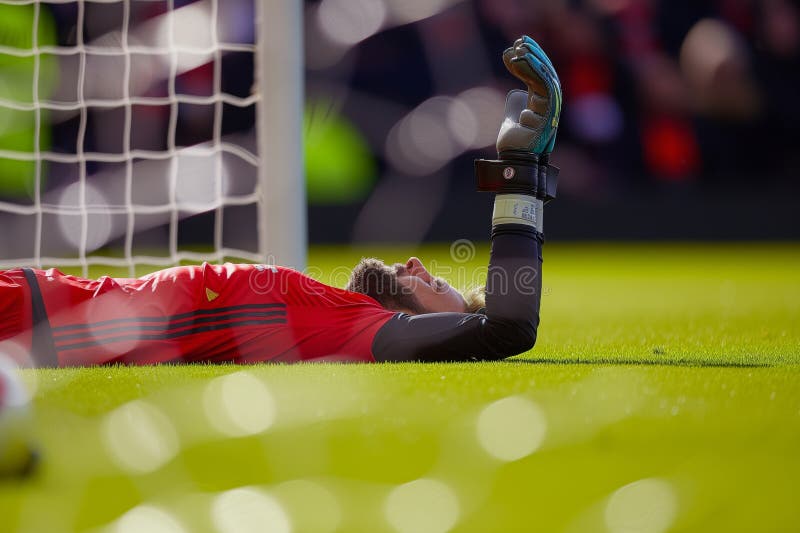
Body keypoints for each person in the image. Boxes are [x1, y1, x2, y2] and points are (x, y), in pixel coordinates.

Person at [0, 36, 561, 367]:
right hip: (44, 293)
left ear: (434, 330)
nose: (416, 265)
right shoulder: (337, 312)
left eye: (435, 287)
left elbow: (507, 328)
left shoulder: (357, 328)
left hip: (42, 317)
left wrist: (520, 174)